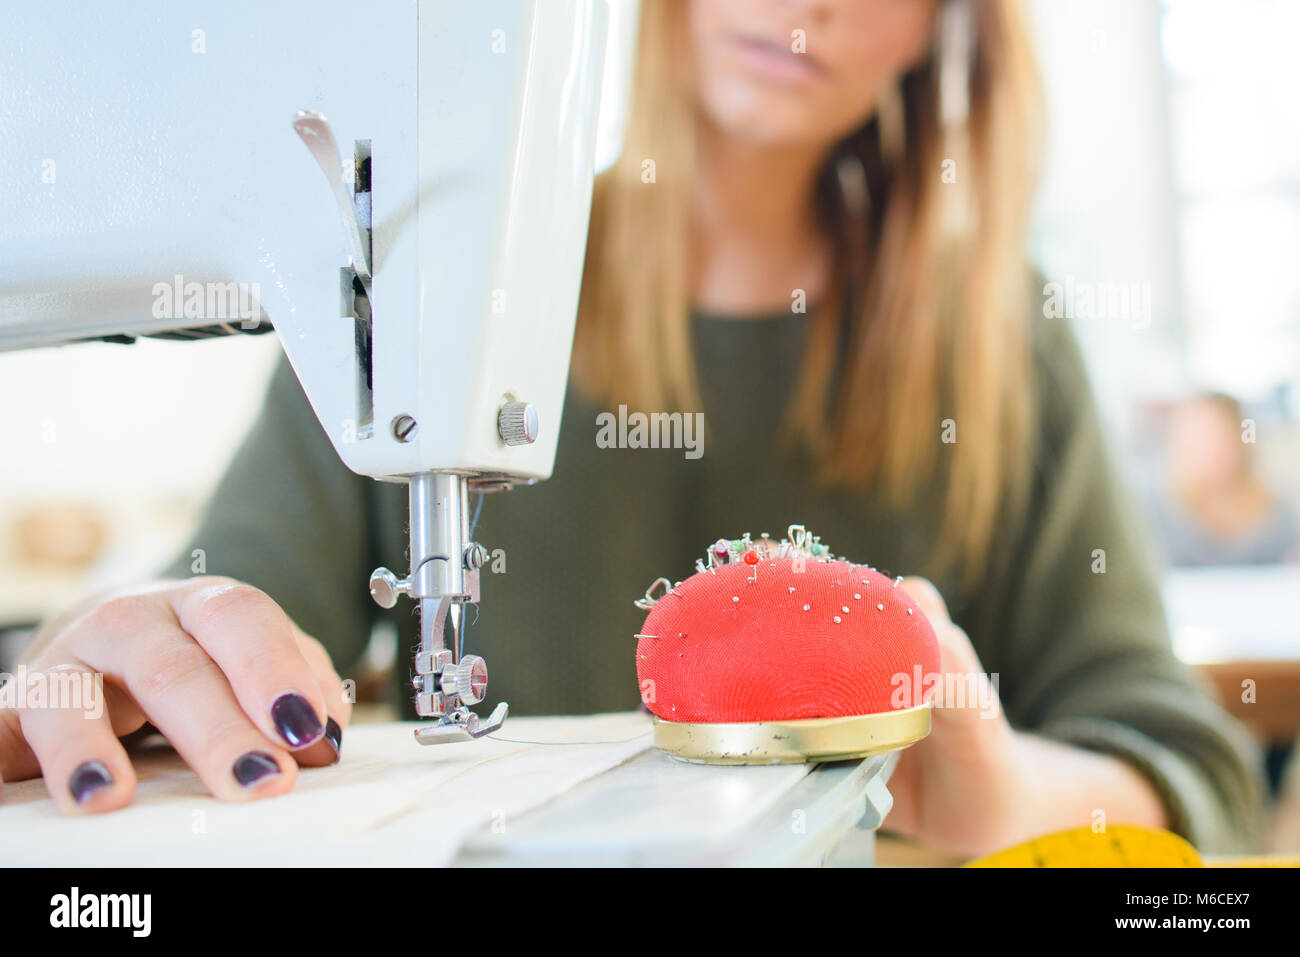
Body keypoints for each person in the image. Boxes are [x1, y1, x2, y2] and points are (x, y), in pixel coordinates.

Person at [0, 0, 1265, 858]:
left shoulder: (1000, 343)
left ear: (948, 27)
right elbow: (215, 630)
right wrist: (126, 660)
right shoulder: (436, 284)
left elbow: (1186, 775)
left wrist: (1000, 799)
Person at [1152, 392, 1298, 567]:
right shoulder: (1156, 515)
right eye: (1194, 441)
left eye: (1215, 439)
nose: (1205, 453)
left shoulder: (1277, 515)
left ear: (1240, 443)